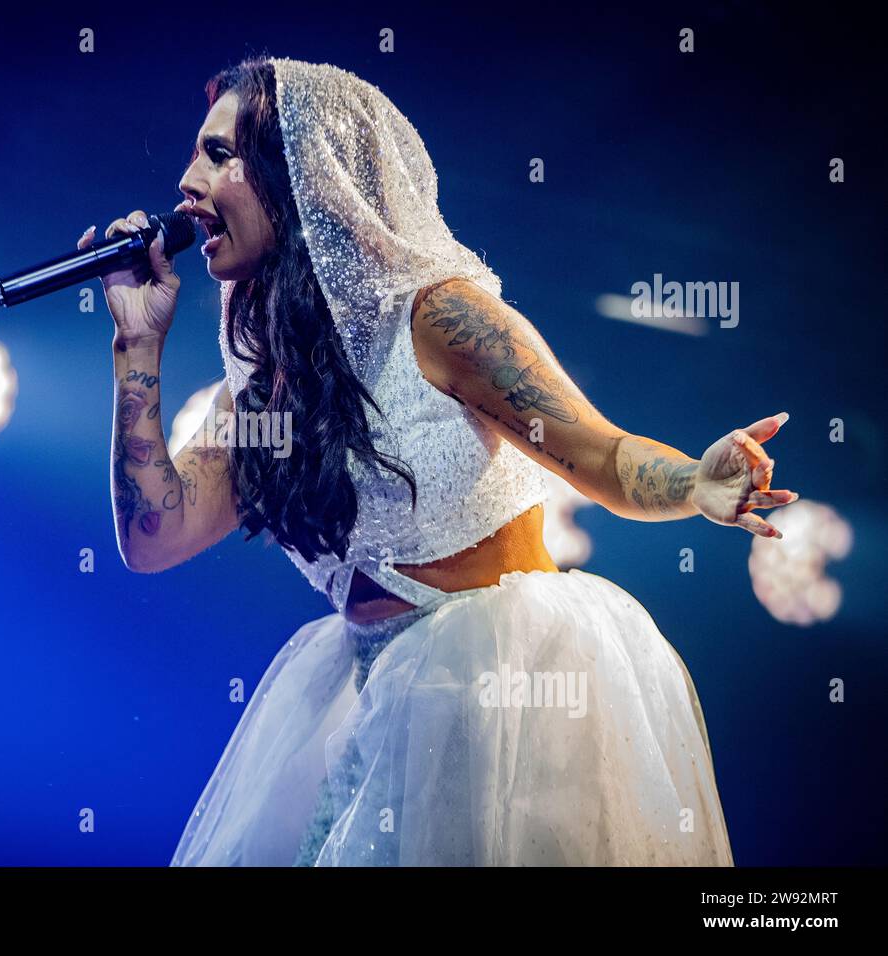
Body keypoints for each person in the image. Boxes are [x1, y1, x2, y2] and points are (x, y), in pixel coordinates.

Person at [80, 57, 798, 866]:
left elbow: (599, 454)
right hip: (366, 696)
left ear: (304, 174)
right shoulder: (258, 397)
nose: (185, 181)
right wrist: (136, 344)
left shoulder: (438, 319)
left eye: (218, 154)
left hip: (502, 696)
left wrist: (696, 483)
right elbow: (154, 539)